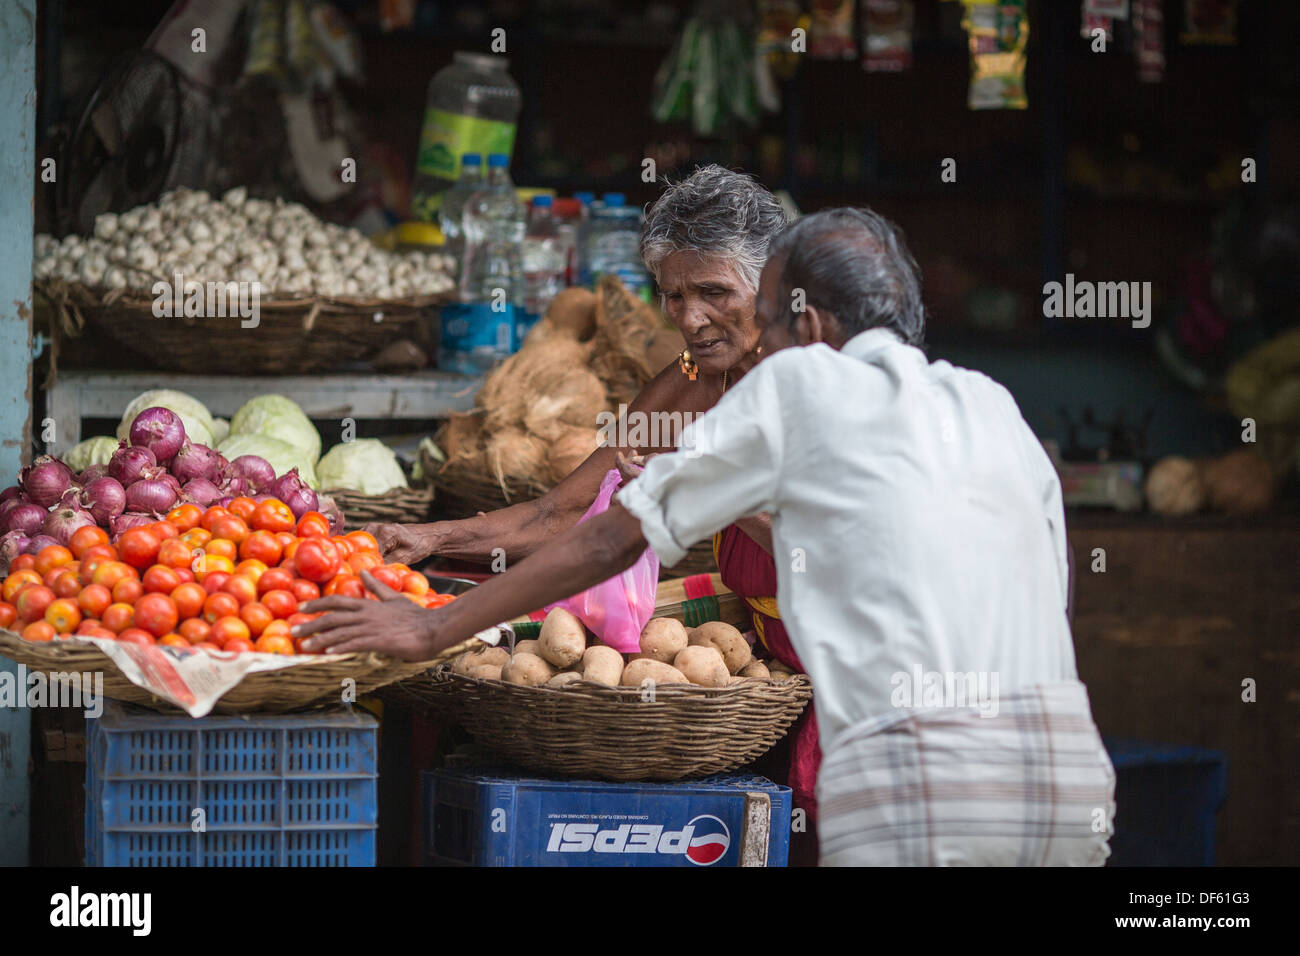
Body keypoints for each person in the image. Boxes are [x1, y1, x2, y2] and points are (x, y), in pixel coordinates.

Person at [295, 206, 1116, 866]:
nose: (712, 328)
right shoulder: (993, 407)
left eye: (760, 313)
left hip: (919, 790)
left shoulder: (799, 381)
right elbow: (1053, 585)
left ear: (812, 324)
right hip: (1069, 778)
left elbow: (609, 539)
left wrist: (429, 626)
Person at [366, 164, 824, 843]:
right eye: (672, 295)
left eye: (713, 292)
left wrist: (711, 487)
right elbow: (566, 514)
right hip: (766, 667)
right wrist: (433, 538)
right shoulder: (698, 379)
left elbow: (830, 554)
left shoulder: (821, 378)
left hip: (844, 668)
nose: (690, 320)